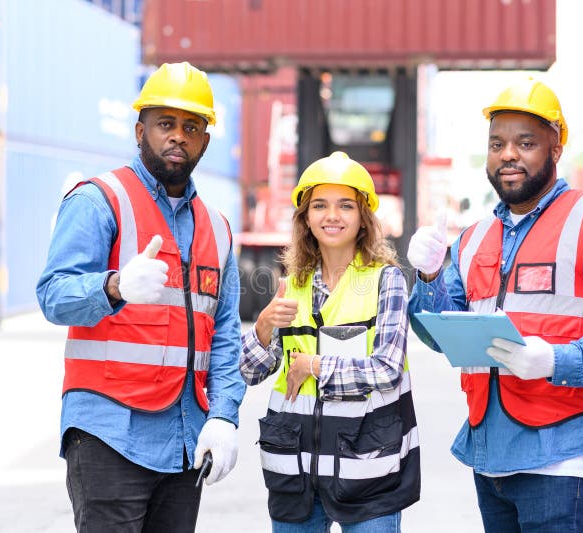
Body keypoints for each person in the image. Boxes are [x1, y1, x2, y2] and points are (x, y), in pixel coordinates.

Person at [407, 78, 583, 532]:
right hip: (491, 453)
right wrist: (427, 277)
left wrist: (558, 360)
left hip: (564, 455)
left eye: (526, 143)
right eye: (497, 143)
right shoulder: (474, 237)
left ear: (556, 148)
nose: (508, 155)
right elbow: (438, 335)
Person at [37, 62, 246, 532]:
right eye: (165, 124)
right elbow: (53, 295)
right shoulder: (98, 200)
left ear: (205, 141)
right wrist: (113, 287)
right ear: (139, 130)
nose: (178, 137)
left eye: (191, 127)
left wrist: (225, 416)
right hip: (109, 434)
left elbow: (227, 335)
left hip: (186, 439)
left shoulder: (216, 227)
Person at [240, 152, 420, 532]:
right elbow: (249, 372)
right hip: (296, 469)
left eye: (345, 206)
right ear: (306, 217)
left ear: (363, 217)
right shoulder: (293, 283)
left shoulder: (386, 280)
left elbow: (386, 369)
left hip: (370, 468)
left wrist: (313, 366)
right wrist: (263, 328)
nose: (332, 216)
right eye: (319, 205)